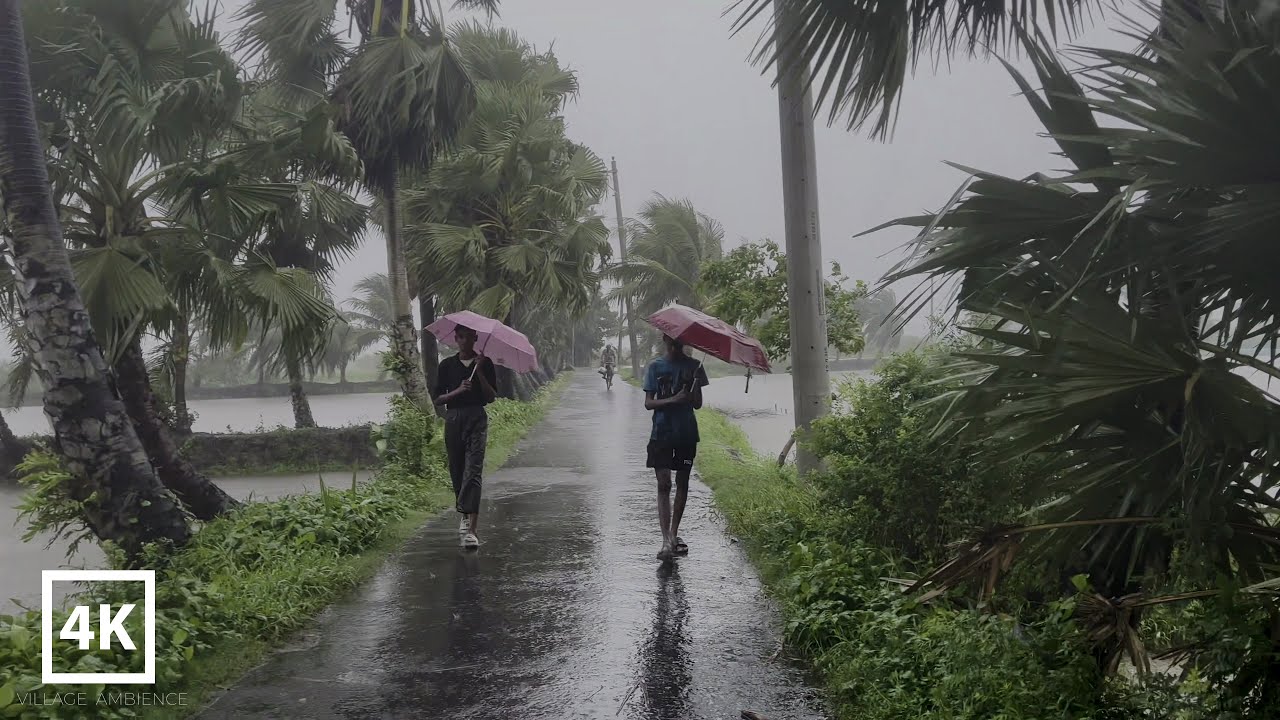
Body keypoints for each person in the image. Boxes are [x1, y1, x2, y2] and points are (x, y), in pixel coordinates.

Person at [642, 335, 709, 562]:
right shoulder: (655, 366)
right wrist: (674, 399)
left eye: (681, 340)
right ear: (664, 339)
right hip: (661, 433)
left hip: (686, 434)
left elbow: (698, 404)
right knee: (664, 484)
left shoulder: (694, 367)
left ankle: (673, 532)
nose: (677, 343)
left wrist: (695, 386)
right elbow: (649, 403)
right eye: (673, 339)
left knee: (682, 482)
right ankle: (665, 540)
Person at [434, 325, 498, 548]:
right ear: (455, 338)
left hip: (476, 418)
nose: (464, 341)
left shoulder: (485, 363)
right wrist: (458, 391)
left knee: (473, 470)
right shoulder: (447, 365)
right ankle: (463, 511)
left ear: (475, 338)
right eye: (460, 337)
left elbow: (490, 398)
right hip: (453, 419)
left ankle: (473, 530)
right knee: (457, 469)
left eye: (469, 337)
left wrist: (479, 372)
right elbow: (438, 399)